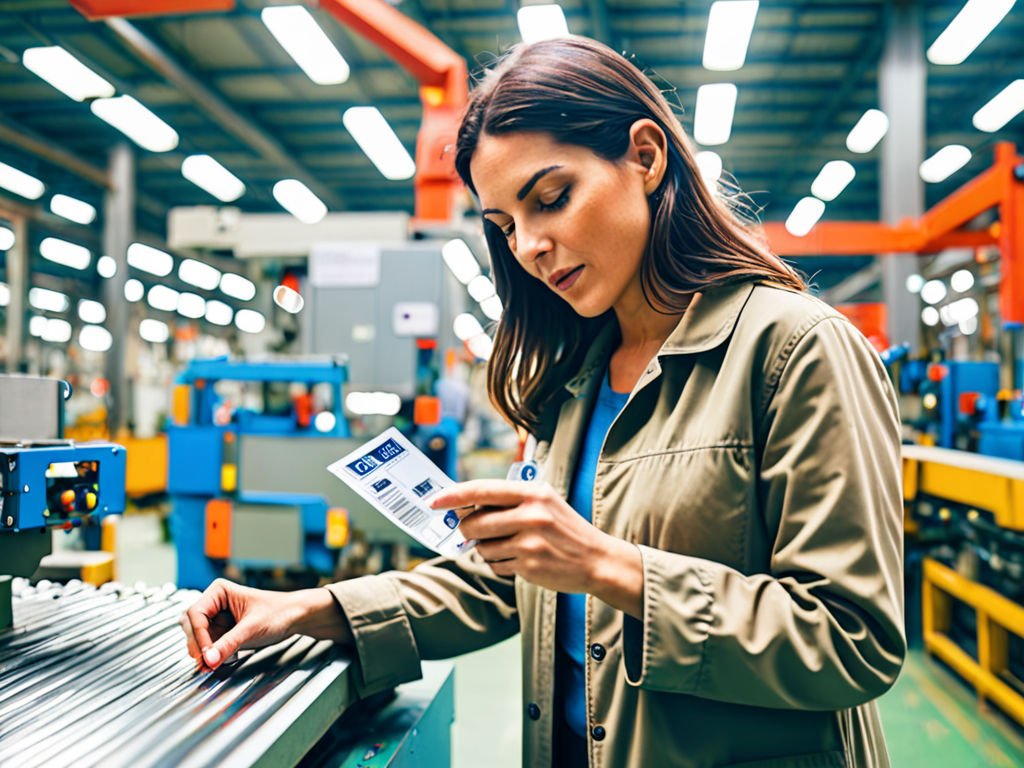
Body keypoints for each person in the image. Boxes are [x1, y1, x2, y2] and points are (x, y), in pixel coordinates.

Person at [181, 37, 905, 768]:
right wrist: (313, 611)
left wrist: (609, 568)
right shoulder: (574, 382)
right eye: (504, 227)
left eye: (551, 198)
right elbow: (515, 584)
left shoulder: (793, 350)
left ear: (646, 157)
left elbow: (852, 640)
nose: (529, 245)